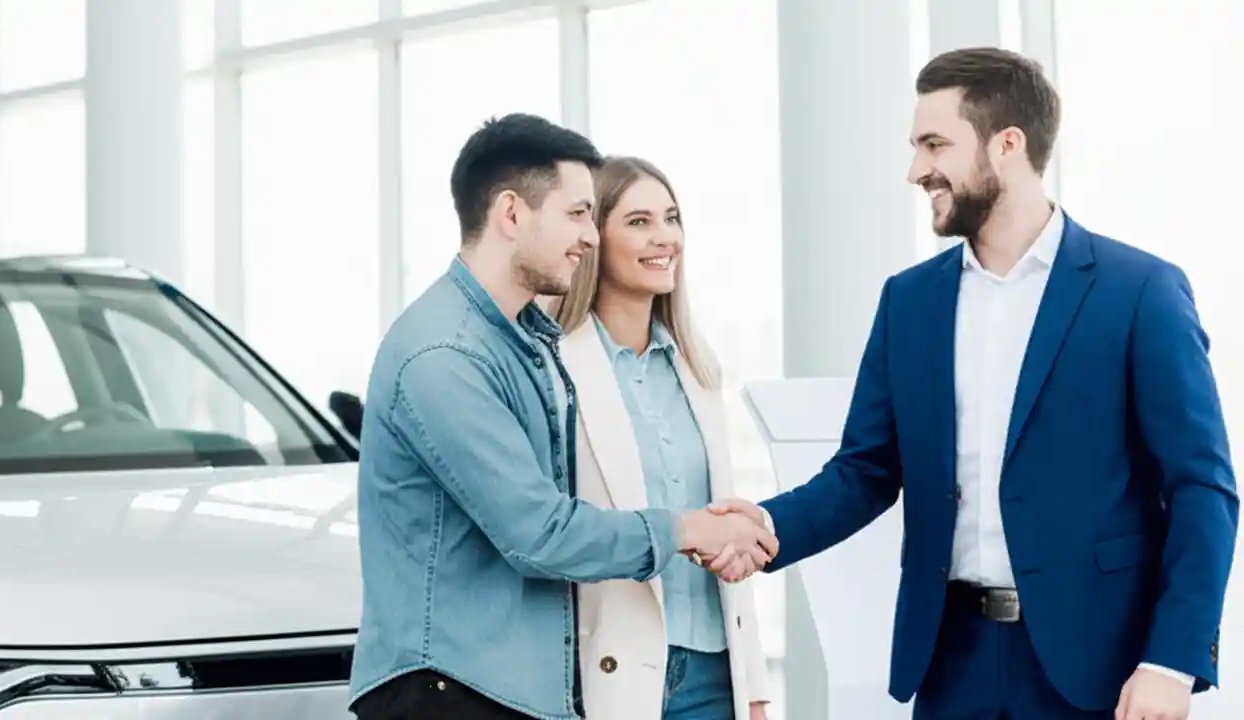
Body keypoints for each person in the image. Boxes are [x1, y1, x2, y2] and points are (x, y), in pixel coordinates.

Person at [711, 47, 1237, 720]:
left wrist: (1171, 661)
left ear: (1008, 145)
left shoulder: (1140, 292)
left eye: (934, 144)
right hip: (951, 663)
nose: (915, 170)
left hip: (1098, 666)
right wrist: (764, 526)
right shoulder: (910, 302)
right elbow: (865, 471)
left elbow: (1201, 488)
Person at [347, 113, 778, 720]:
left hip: (509, 688)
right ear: (512, 214)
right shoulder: (445, 354)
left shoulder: (520, 343)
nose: (590, 236)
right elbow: (540, 533)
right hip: (451, 692)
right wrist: (686, 531)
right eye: (577, 214)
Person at [549, 156, 771, 720]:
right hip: (611, 672)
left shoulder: (697, 368)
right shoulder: (556, 368)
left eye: (671, 218)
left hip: (714, 674)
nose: (665, 237)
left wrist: (754, 690)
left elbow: (721, 519)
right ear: (593, 238)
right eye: (639, 221)